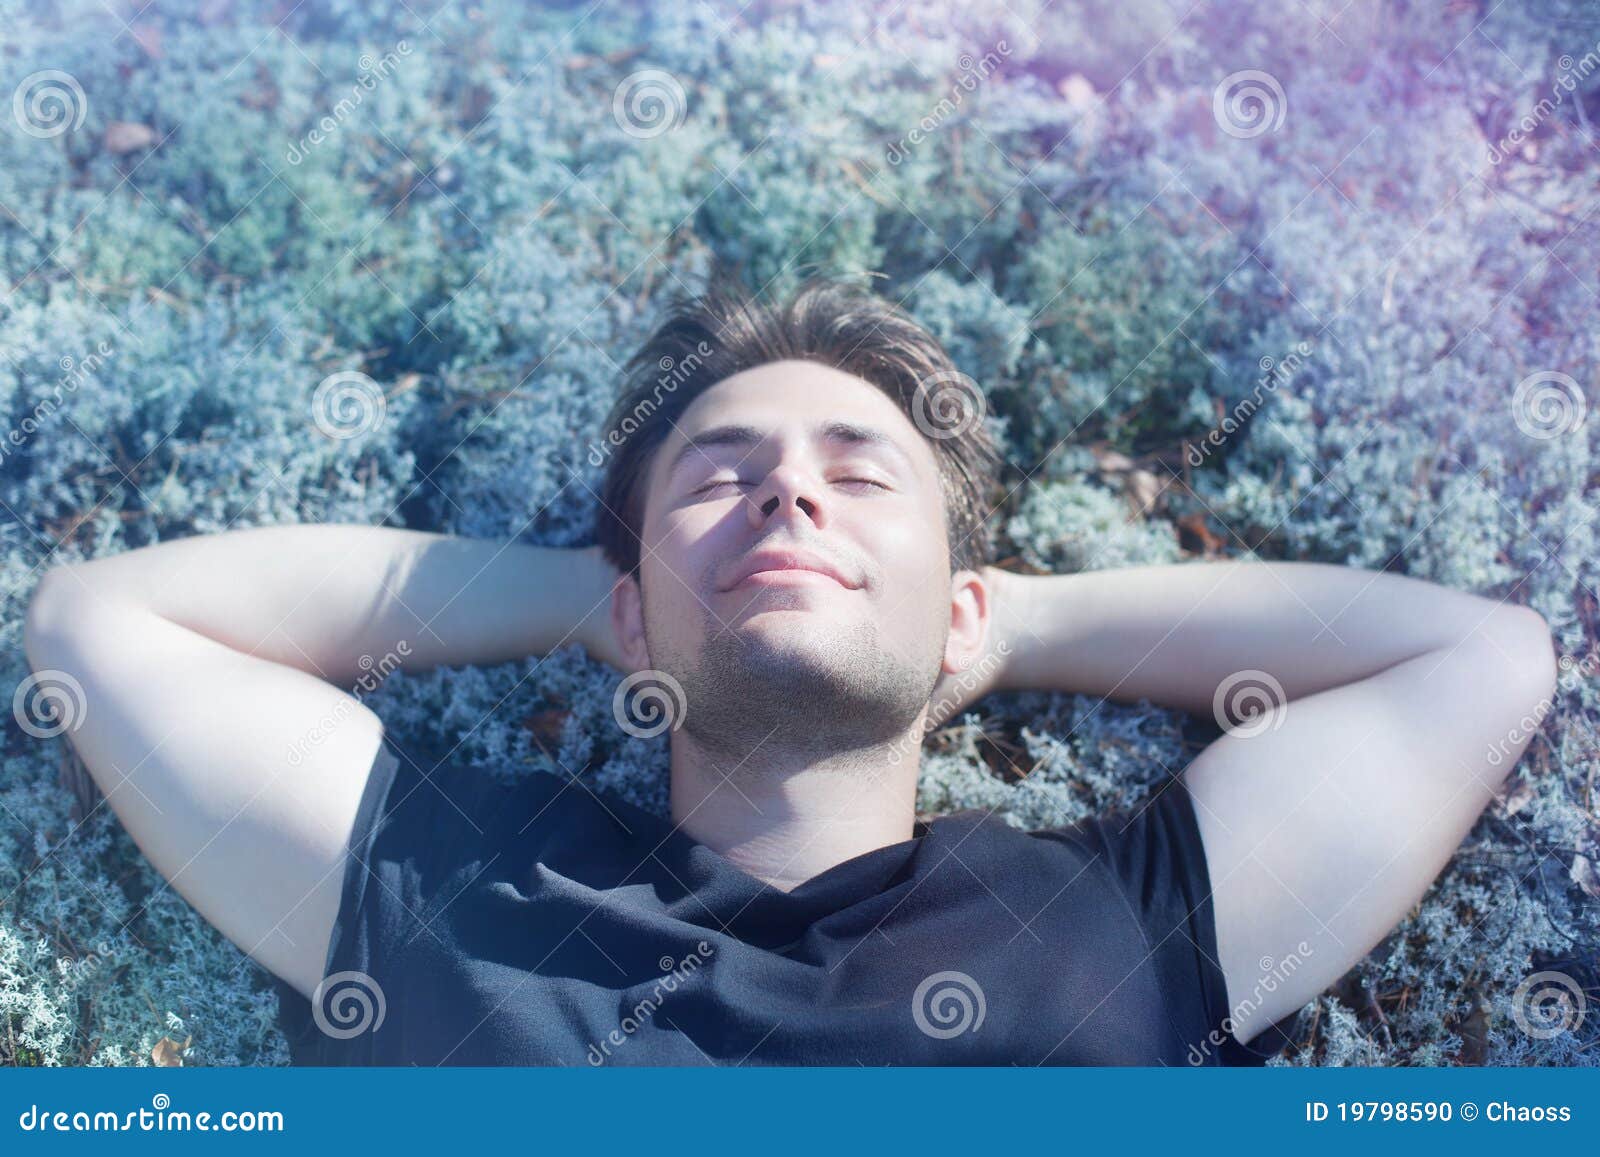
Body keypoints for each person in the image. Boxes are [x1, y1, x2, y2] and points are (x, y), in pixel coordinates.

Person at [21, 277, 1556, 1066]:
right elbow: (100, 626)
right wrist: (595, 593)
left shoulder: (1123, 922)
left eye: (857, 473)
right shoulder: (474, 891)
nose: (788, 494)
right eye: (723, 472)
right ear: (631, 618)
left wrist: (1013, 620)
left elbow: (1478, 657)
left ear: (955, 609)